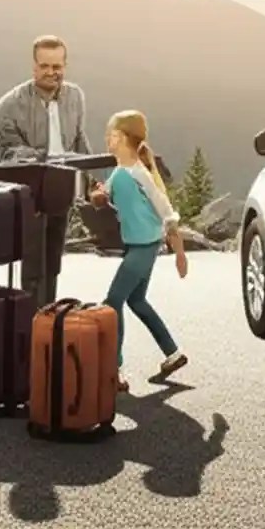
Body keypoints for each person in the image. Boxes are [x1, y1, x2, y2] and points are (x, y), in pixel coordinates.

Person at [90, 110, 189, 392]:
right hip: (137, 245)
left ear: (120, 138)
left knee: (112, 303)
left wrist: (180, 253)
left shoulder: (141, 175)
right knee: (137, 301)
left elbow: (168, 213)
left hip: (145, 247)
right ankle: (173, 354)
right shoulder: (120, 172)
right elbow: (104, 196)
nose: (106, 139)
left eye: (110, 135)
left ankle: (114, 368)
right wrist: (96, 195)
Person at [0, 35, 91, 305]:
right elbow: (10, 153)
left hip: (63, 189)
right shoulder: (9, 105)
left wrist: (92, 180)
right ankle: (29, 327)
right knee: (33, 266)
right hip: (31, 194)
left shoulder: (75, 97)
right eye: (45, 66)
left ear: (65, 66)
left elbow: (79, 139)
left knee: (54, 262)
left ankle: (48, 323)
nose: (51, 73)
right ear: (34, 66)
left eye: (57, 67)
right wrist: (47, 157)